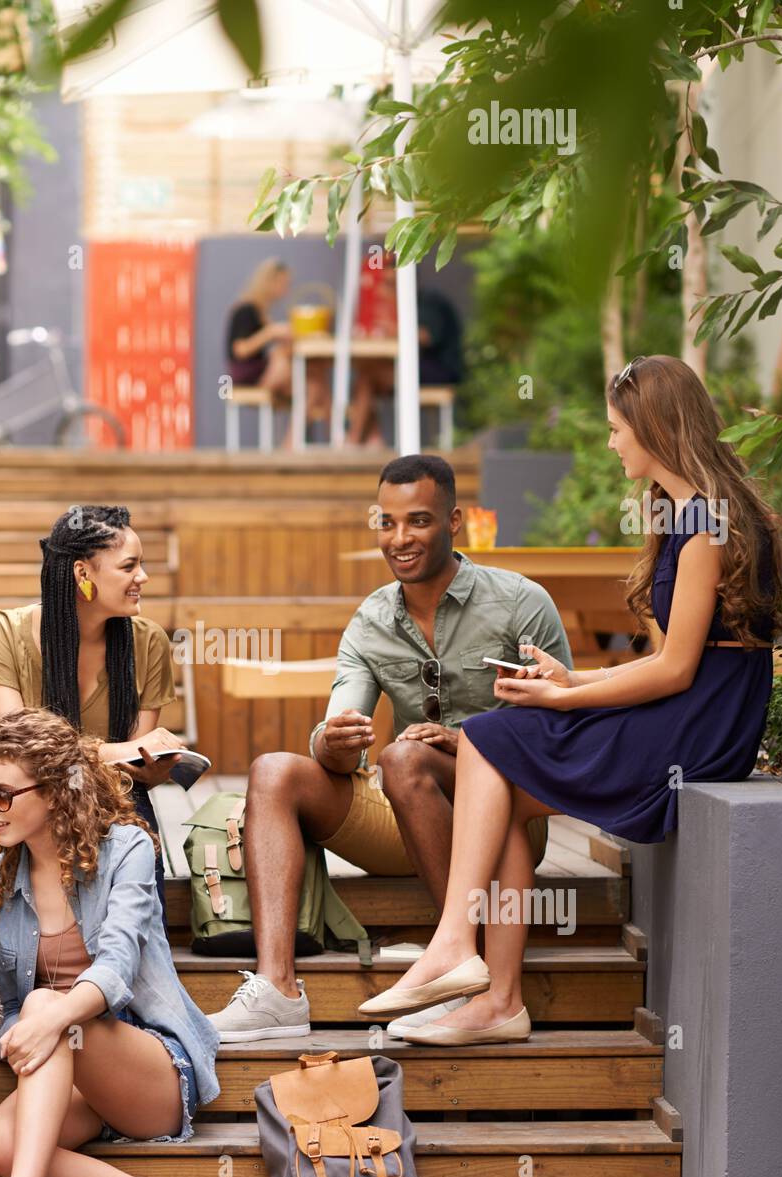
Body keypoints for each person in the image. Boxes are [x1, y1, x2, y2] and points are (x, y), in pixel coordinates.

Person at [359, 354, 782, 1044]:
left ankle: (456, 947)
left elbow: (679, 671)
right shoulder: (690, 513)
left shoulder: (706, 527)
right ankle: (497, 1000)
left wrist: (566, 703)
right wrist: (570, 681)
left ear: (654, 429)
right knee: (499, 768)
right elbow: (670, 660)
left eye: (617, 428)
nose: (610, 442)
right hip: (688, 712)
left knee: (491, 741)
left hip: (696, 731)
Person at [206, 453, 573, 1043]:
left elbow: (563, 731)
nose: (399, 539)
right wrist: (334, 743)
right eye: (387, 523)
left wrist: (465, 740)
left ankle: (464, 969)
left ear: (455, 522)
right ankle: (277, 992)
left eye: (419, 521)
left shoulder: (520, 602)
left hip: (507, 818)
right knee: (274, 770)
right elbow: (337, 738)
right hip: (408, 816)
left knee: (406, 758)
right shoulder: (371, 619)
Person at [0, 709, 278, 1177]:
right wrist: (20, 1030)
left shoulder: (127, 851)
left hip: (149, 1066)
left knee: (46, 1006)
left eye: (3, 793)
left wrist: (44, 1016)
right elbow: (12, 1003)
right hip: (70, 1073)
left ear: (58, 789)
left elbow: (117, 965)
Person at [0, 504, 184, 1045]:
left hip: (111, 799)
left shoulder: (147, 641)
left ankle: (126, 979)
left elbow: (133, 764)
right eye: (129, 566)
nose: (143, 578)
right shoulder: (10, 631)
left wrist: (150, 762)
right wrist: (117, 750)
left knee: (139, 827)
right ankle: (7, 982)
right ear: (83, 574)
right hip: (27, 797)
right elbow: (9, 744)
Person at [225, 256, 330, 441]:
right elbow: (239, 350)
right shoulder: (246, 310)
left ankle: (293, 443)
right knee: (286, 358)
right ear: (269, 282)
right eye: (283, 283)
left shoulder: (262, 312)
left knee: (314, 382)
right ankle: (341, 434)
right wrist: (271, 332)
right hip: (247, 376)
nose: (286, 289)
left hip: (264, 373)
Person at [348, 285, 464, 448]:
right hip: (417, 366)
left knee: (368, 376)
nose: (383, 290)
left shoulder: (428, 302)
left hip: (439, 370)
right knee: (366, 376)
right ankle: (371, 438)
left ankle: (356, 439)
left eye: (388, 284)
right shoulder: (406, 305)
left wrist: (392, 329)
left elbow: (425, 336)